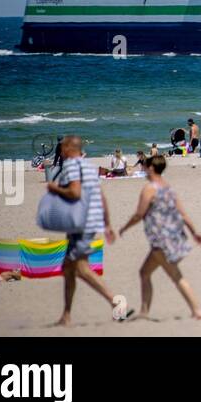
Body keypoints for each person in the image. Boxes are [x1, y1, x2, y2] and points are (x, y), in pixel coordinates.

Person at [118, 153, 201, 321]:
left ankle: (197, 310)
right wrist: (194, 233)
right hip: (173, 237)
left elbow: (139, 214)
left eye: (145, 166)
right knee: (144, 272)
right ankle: (144, 312)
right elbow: (184, 215)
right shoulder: (168, 187)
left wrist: (124, 228)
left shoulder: (150, 188)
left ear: (151, 168)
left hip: (161, 240)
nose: (143, 169)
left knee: (175, 276)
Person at [48, 135, 125, 326]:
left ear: (67, 149)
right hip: (88, 222)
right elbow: (101, 196)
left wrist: (55, 189)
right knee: (69, 269)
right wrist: (107, 224)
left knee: (81, 269)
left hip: (80, 224)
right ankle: (66, 315)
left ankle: (115, 301)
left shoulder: (72, 167)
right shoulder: (88, 168)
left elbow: (74, 192)